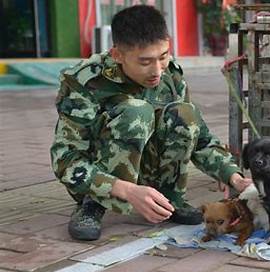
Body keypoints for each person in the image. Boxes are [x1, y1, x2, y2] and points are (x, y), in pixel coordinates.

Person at [50, 5, 251, 241]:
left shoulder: (170, 75)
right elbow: (66, 159)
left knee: (184, 113)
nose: (157, 70)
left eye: (163, 57)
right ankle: (92, 205)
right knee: (136, 112)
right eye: (145, 62)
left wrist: (234, 177)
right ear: (118, 55)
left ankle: (166, 198)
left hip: (148, 171)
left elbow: (201, 139)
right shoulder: (84, 81)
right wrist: (125, 189)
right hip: (98, 177)